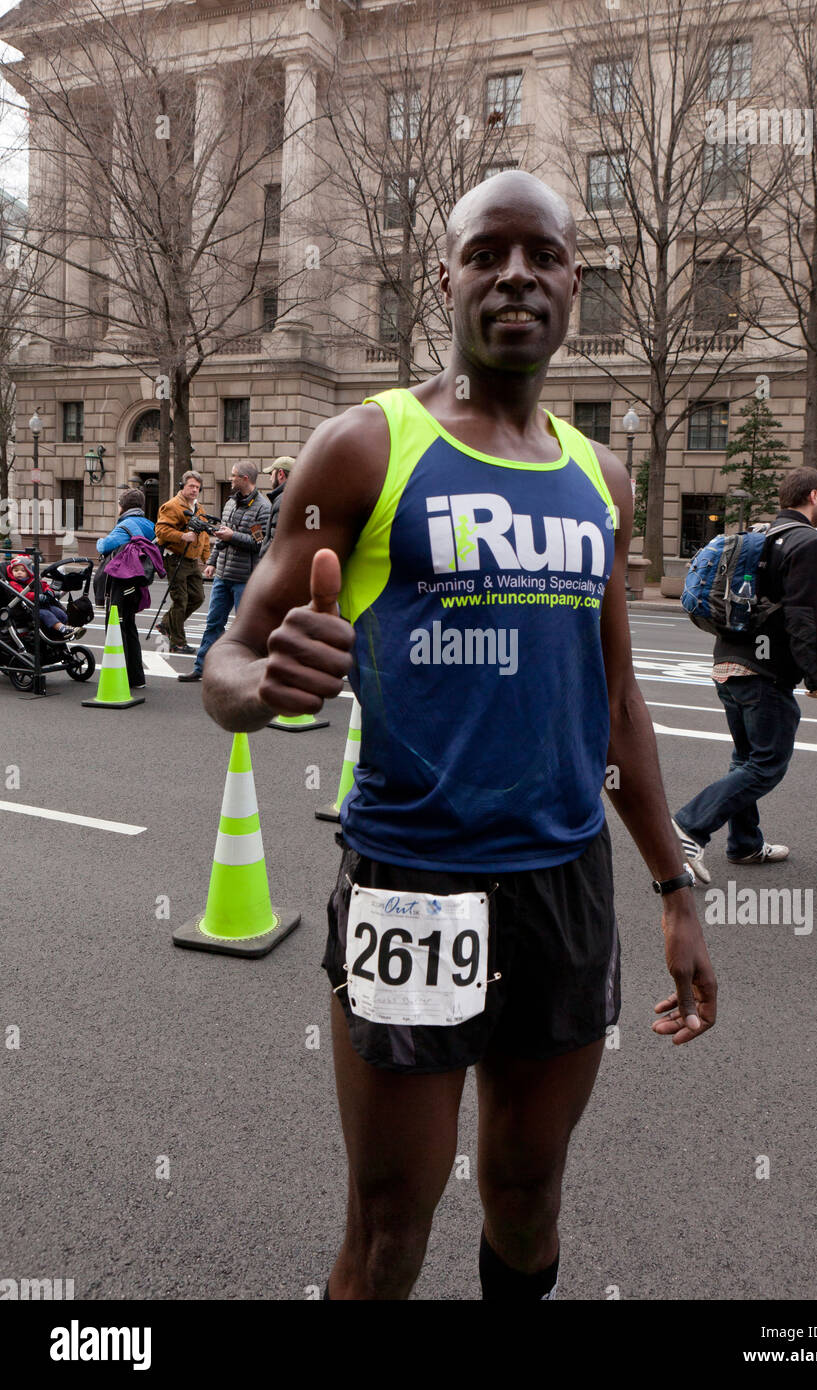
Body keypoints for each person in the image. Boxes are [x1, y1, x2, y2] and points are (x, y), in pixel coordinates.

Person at [201, 170, 717, 1302]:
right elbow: (225, 661)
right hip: (412, 884)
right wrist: (267, 684)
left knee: (529, 1208)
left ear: (579, 277)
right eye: (488, 253)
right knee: (390, 1232)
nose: (516, 275)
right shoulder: (362, 446)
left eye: (542, 253)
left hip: (564, 885)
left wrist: (676, 883)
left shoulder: (600, 476)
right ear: (447, 276)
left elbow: (618, 697)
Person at [672, 467, 817, 884]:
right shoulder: (808, 542)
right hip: (764, 673)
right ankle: (689, 826)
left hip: (727, 664)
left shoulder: (760, 534)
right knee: (767, 765)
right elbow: (804, 615)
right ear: (814, 496)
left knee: (745, 758)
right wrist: (816, 674)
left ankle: (744, 844)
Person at [178, 462, 270, 683]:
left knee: (245, 628)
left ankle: (250, 673)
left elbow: (260, 543)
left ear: (245, 478)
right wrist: (211, 561)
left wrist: (233, 536)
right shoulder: (230, 503)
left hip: (244, 580)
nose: (230, 479)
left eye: (233, 475)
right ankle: (201, 667)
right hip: (223, 576)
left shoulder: (262, 507)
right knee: (213, 623)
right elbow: (221, 537)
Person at [96, 487, 157, 689]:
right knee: (129, 627)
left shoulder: (125, 526)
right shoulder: (149, 525)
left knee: (115, 627)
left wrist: (99, 541)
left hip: (121, 582)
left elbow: (105, 547)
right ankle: (136, 677)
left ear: (123, 506)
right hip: (138, 583)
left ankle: (119, 675)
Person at [154, 469, 211, 654]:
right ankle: (177, 643)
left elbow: (204, 536)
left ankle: (166, 624)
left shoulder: (199, 508)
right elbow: (161, 531)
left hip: (192, 560)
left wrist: (207, 558)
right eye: (191, 486)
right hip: (175, 558)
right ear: (182, 486)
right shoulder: (172, 506)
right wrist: (182, 536)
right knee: (180, 600)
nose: (194, 490)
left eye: (197, 487)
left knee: (198, 597)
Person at [5, 555, 85, 641]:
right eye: (15, 570)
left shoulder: (34, 580)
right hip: (31, 608)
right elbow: (23, 594)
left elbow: (45, 586)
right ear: (11, 571)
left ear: (28, 571)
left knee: (60, 613)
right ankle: (63, 630)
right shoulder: (14, 584)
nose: (19, 572)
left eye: (22, 570)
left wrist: (50, 591)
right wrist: (36, 596)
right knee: (47, 615)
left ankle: (69, 629)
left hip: (44, 604)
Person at [258, 456, 296, 560]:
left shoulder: (283, 500)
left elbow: (275, 542)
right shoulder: (295, 496)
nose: (270, 478)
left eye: (271, 474)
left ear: (280, 474)